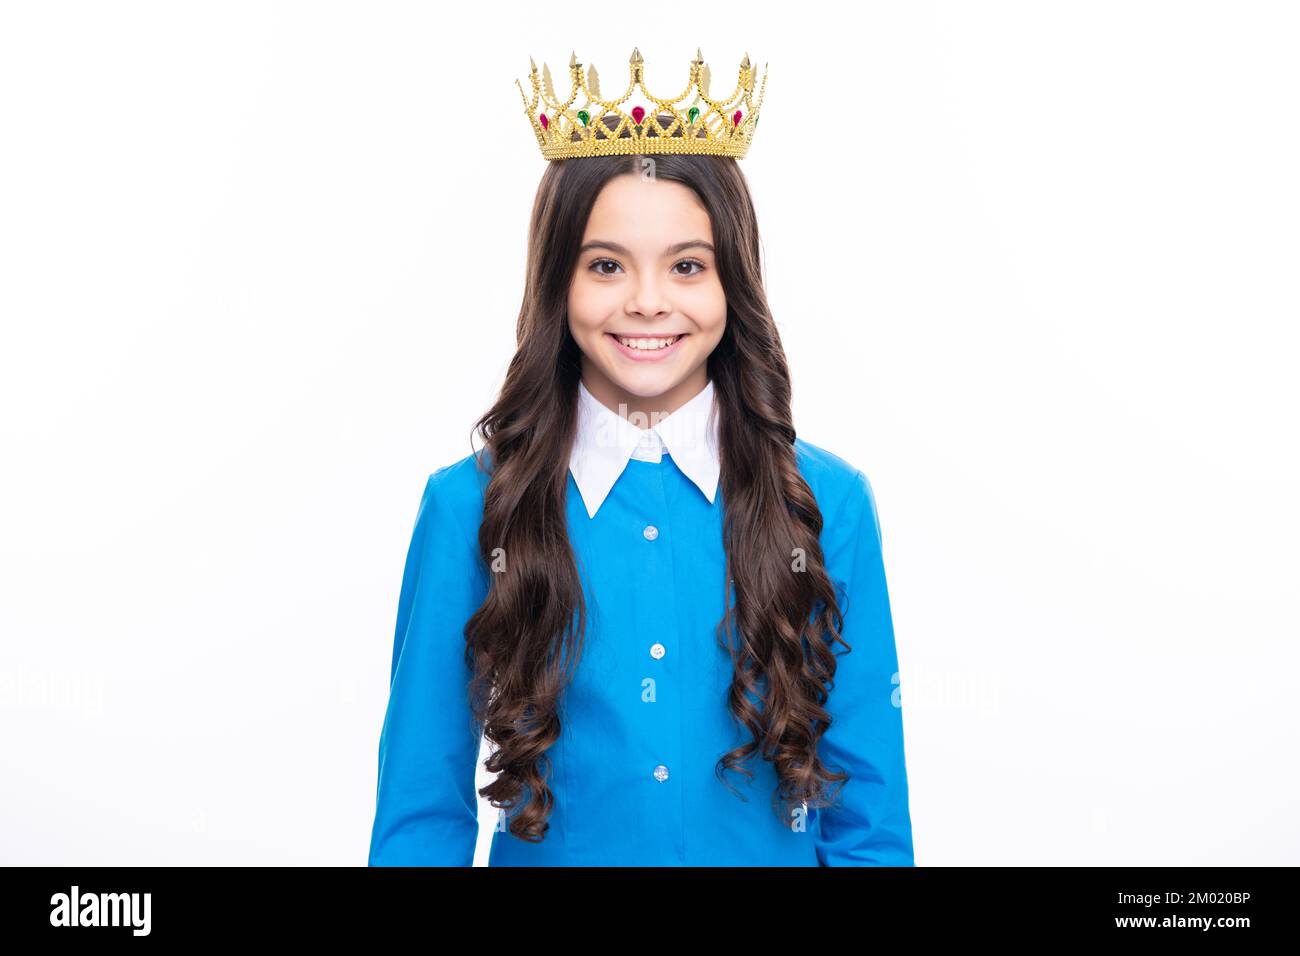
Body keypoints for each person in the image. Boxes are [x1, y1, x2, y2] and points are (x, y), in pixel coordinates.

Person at [367, 48, 914, 866]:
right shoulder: (469, 508)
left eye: (688, 266)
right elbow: (420, 812)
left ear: (736, 284)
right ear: (559, 284)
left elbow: (867, 815)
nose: (648, 301)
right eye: (606, 266)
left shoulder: (829, 503)